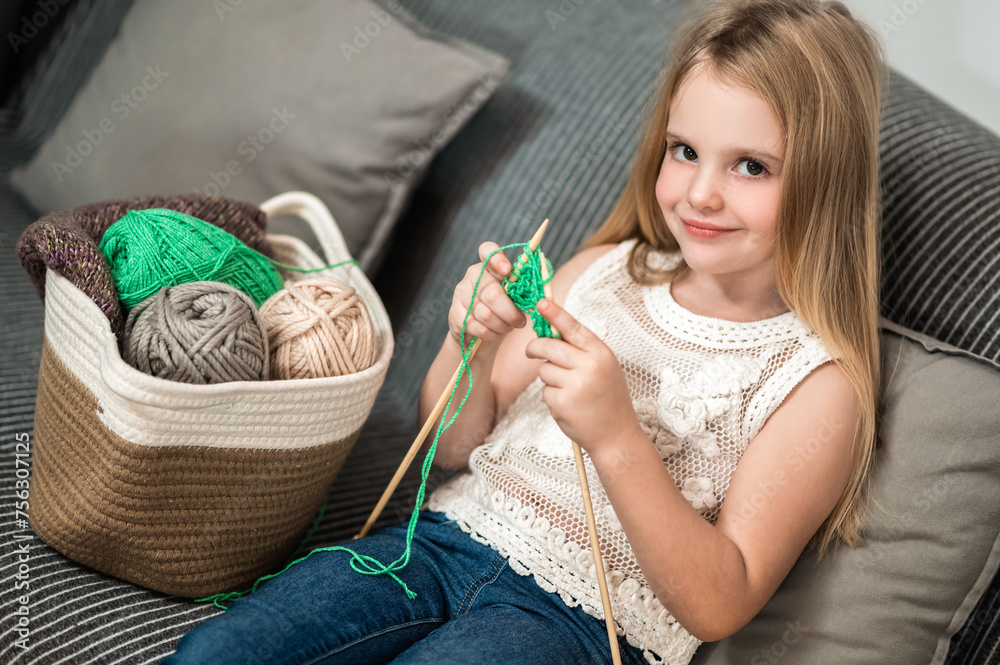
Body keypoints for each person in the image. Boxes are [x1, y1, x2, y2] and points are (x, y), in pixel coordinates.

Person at [163, 1, 885, 663]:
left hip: (579, 625)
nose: (699, 192)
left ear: (829, 181)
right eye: (685, 150)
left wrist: (617, 437)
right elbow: (450, 447)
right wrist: (468, 341)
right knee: (225, 648)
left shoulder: (815, 382)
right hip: (439, 546)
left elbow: (721, 599)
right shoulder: (606, 271)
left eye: (751, 166)